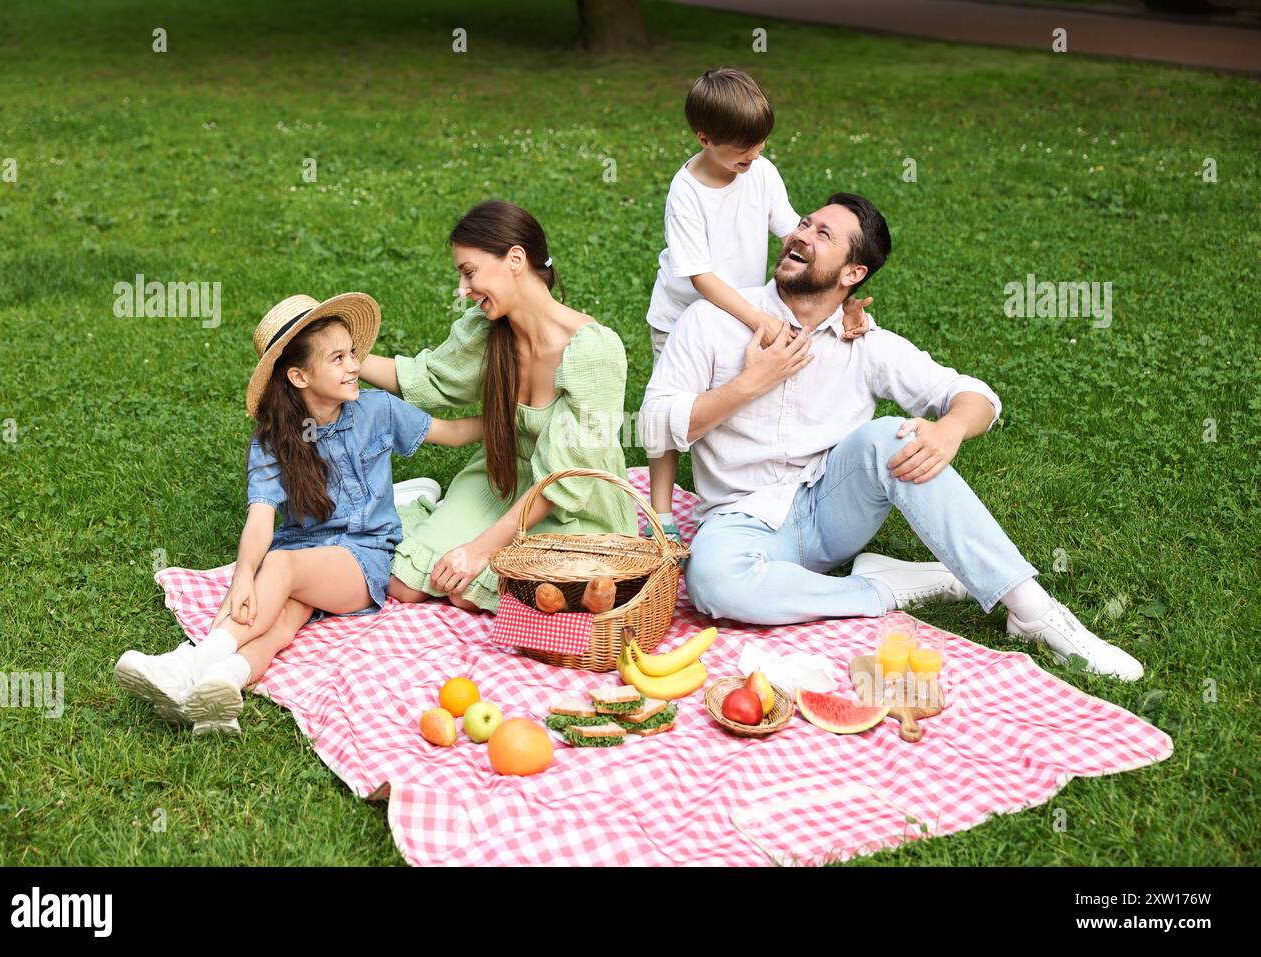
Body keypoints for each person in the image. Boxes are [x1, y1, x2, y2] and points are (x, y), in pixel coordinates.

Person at [640, 193, 1144, 681]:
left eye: (823, 234)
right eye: (804, 224)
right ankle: (883, 587)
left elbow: (978, 397)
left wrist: (949, 430)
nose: (801, 235)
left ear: (852, 274)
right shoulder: (711, 320)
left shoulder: (866, 343)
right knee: (712, 584)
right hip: (739, 519)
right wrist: (751, 383)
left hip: (830, 511)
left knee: (894, 435)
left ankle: (1032, 609)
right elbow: (654, 422)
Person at [114, 293, 483, 734]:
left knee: (280, 567)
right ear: (299, 376)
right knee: (281, 619)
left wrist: (514, 419)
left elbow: (453, 433)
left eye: (352, 354)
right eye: (338, 358)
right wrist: (243, 576)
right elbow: (260, 520)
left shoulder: (378, 410)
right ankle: (221, 686)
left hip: (362, 555)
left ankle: (188, 663)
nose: (354, 366)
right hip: (304, 553)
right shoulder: (274, 440)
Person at [359, 200, 639, 613]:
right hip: (502, 479)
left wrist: (479, 550)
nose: (463, 289)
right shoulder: (489, 329)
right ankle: (419, 510)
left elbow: (562, 479)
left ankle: (456, 531)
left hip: (568, 501)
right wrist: (343, 357)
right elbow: (429, 380)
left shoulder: (593, 352)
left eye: (469, 272)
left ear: (515, 259)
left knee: (475, 590)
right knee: (406, 583)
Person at [643, 67, 868, 543]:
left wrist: (839, 298)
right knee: (672, 412)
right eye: (743, 148)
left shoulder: (760, 171)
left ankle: (741, 495)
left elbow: (794, 235)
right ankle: (660, 512)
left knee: (736, 398)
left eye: (761, 143)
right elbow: (701, 277)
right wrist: (759, 317)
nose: (754, 154)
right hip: (682, 317)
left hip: (742, 313)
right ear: (705, 139)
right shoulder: (686, 192)